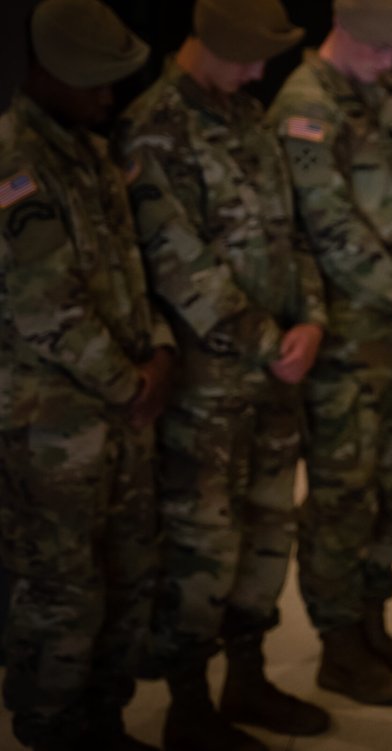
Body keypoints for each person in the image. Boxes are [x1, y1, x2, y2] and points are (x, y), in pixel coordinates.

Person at [116, 1, 332, 747]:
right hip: (206, 393)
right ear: (215, 42)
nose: (260, 72)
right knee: (201, 548)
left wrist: (310, 320)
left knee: (268, 533)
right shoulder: (153, 127)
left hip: (274, 378)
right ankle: (189, 705)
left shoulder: (245, 117)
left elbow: (290, 233)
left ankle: (247, 678)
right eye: (250, 56)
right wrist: (271, 340)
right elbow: (179, 263)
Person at [0, 1, 174, 748]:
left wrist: (159, 350)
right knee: (61, 596)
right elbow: (47, 307)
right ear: (47, 72)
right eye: (93, 81)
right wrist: (132, 383)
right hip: (54, 432)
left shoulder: (90, 154)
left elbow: (133, 272)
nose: (109, 96)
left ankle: (102, 723)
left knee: (127, 579)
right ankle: (51, 730)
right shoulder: (16, 164)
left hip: (122, 416)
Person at [268, 0, 392, 706]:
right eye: (377, 48)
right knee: (342, 494)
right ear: (343, 27)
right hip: (346, 341)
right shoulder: (305, 105)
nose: (389, 61)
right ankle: (338, 643)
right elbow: (324, 221)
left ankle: (372, 622)